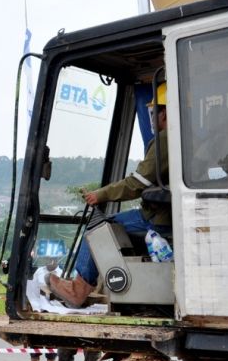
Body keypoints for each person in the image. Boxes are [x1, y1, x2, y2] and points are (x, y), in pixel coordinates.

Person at [49, 83, 172, 308]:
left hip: (159, 218)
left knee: (98, 228)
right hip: (171, 217)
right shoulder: (188, 141)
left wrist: (101, 195)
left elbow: (138, 183)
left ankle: (78, 289)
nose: (152, 119)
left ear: (165, 113)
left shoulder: (166, 140)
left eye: (154, 113)